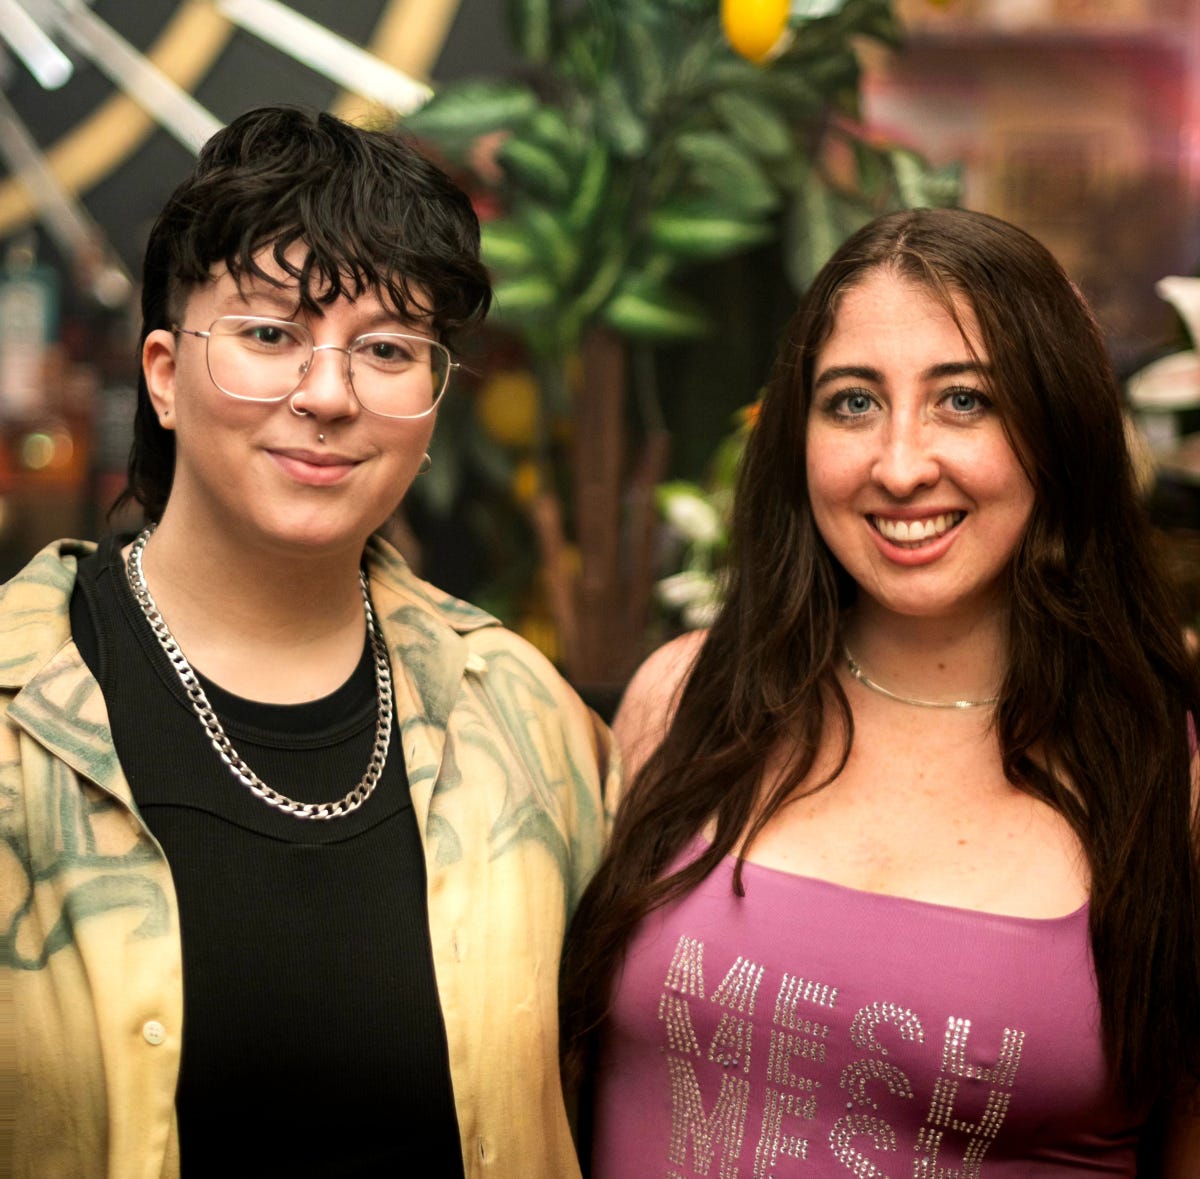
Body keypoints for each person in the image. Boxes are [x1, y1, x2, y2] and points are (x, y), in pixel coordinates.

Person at [0, 106, 616, 1179]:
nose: (328, 395)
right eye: (270, 334)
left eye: (387, 349)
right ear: (163, 375)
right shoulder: (19, 718)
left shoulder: (523, 716)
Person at [560, 207, 1200, 1174]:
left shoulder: (1168, 781)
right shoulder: (686, 698)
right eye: (853, 402)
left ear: (1060, 429)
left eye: (965, 401)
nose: (900, 466)